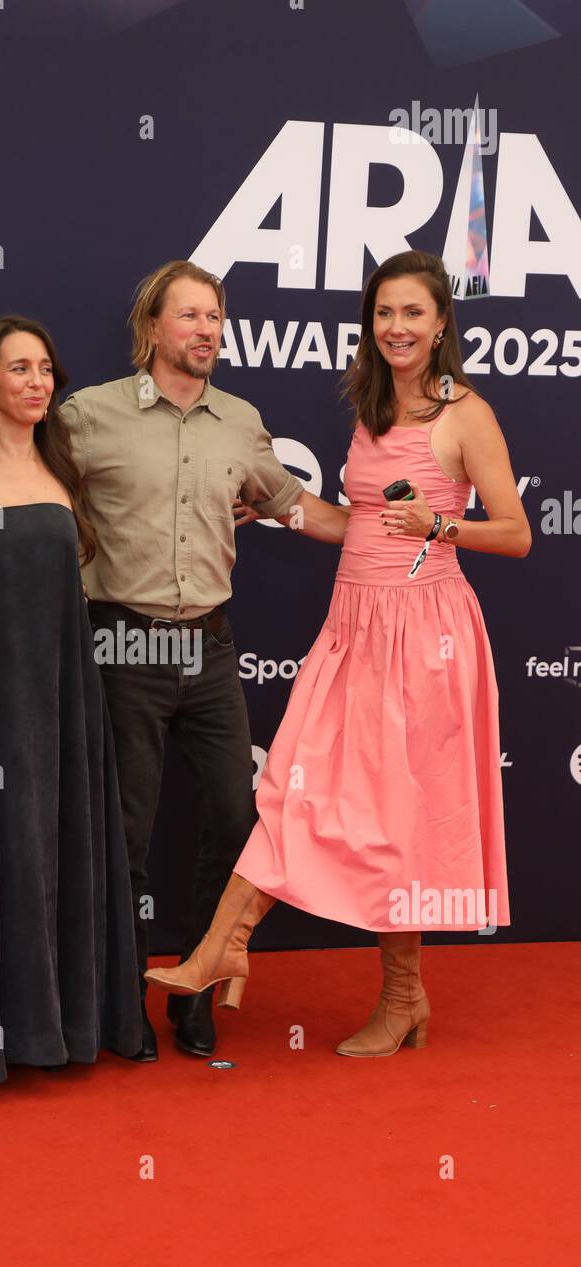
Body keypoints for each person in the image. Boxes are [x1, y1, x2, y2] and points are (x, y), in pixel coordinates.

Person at [146, 249, 531, 1058]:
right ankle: (228, 942)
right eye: (384, 313)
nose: (397, 327)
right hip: (353, 626)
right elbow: (354, 520)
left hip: (425, 635)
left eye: (413, 314)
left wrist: (438, 527)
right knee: (295, 785)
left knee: (403, 820)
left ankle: (396, 996)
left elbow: (517, 533)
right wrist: (273, 510)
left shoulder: (466, 414)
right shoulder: (371, 407)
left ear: (441, 324)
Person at [60, 260, 344, 1060]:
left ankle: (196, 985)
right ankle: (116, 1006)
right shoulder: (89, 416)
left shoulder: (240, 421)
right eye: (189, 317)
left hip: (211, 648)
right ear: (152, 327)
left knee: (239, 822)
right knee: (126, 836)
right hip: (123, 643)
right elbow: (27, 487)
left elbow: (300, 509)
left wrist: (404, 529)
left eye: (215, 318)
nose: (206, 331)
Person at [0, 316, 142, 1089]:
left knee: (57, 843)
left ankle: (69, 1024)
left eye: (45, 369)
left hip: (60, 694)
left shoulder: (65, 470)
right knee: (2, 846)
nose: (36, 382)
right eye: (18, 368)